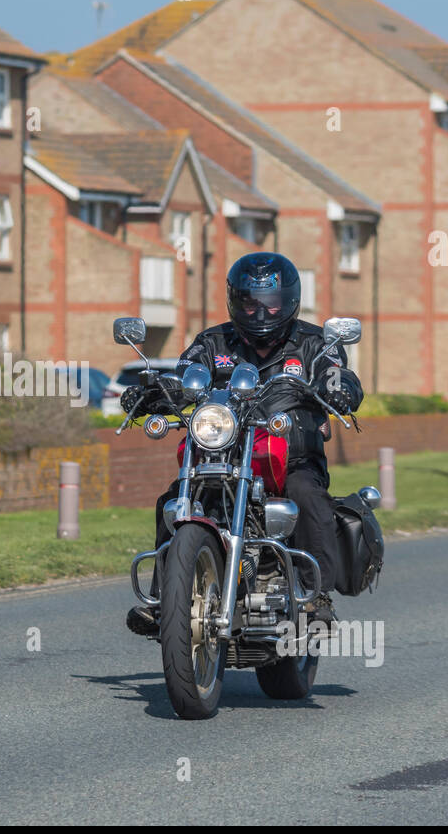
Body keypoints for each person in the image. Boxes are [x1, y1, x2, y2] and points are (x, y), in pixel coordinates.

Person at [123, 252, 363, 633]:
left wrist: (341, 390)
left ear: (289, 301)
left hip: (292, 458)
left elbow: (339, 375)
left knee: (306, 494)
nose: (261, 314)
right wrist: (154, 393)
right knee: (172, 499)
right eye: (250, 304)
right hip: (225, 455)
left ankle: (316, 596)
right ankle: (163, 599)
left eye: (270, 304)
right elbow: (185, 375)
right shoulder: (213, 342)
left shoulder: (315, 343)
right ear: (236, 301)